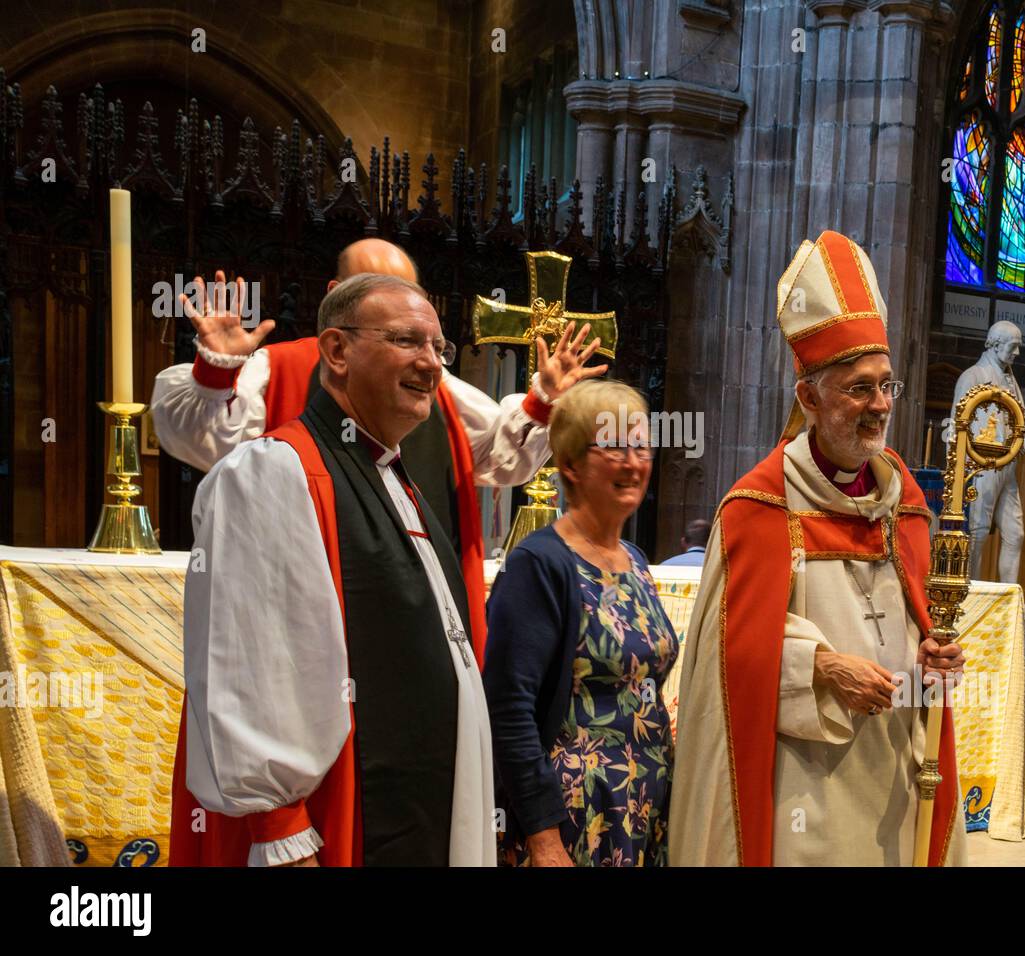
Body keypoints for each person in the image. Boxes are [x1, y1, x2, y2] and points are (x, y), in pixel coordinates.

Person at [150, 238, 607, 662]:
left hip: (419, 620)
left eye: (407, 292)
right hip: (309, 622)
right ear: (336, 297)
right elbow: (201, 440)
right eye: (375, 289)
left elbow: (498, 455)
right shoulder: (283, 369)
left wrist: (542, 399)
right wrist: (216, 371)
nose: (400, 308)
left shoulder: (437, 385)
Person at [169, 273, 495, 866]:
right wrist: (281, 830)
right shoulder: (273, 473)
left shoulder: (396, 481)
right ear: (338, 350)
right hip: (327, 823)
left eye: (438, 348)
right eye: (407, 341)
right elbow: (251, 661)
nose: (431, 365)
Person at [670, 230, 966, 867]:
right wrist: (822, 667)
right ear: (808, 398)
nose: (880, 406)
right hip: (804, 784)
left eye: (887, 386)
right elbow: (728, 666)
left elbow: (921, 642)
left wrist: (934, 661)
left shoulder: (908, 506)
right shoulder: (757, 508)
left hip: (895, 781)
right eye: (859, 388)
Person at [484, 380, 679, 867]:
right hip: (573, 817)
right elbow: (509, 711)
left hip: (643, 807)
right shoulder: (539, 563)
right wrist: (543, 838)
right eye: (614, 447)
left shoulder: (633, 560)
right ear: (570, 463)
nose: (634, 463)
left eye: (641, 446)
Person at [945, 321, 1025, 584]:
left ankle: (1009, 597)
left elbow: (1015, 423)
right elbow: (957, 426)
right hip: (982, 465)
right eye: (1014, 347)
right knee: (978, 531)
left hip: (1007, 465)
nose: (1017, 354)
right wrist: (958, 468)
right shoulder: (974, 376)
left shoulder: (1010, 379)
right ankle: (970, 592)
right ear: (996, 344)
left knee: (1016, 533)